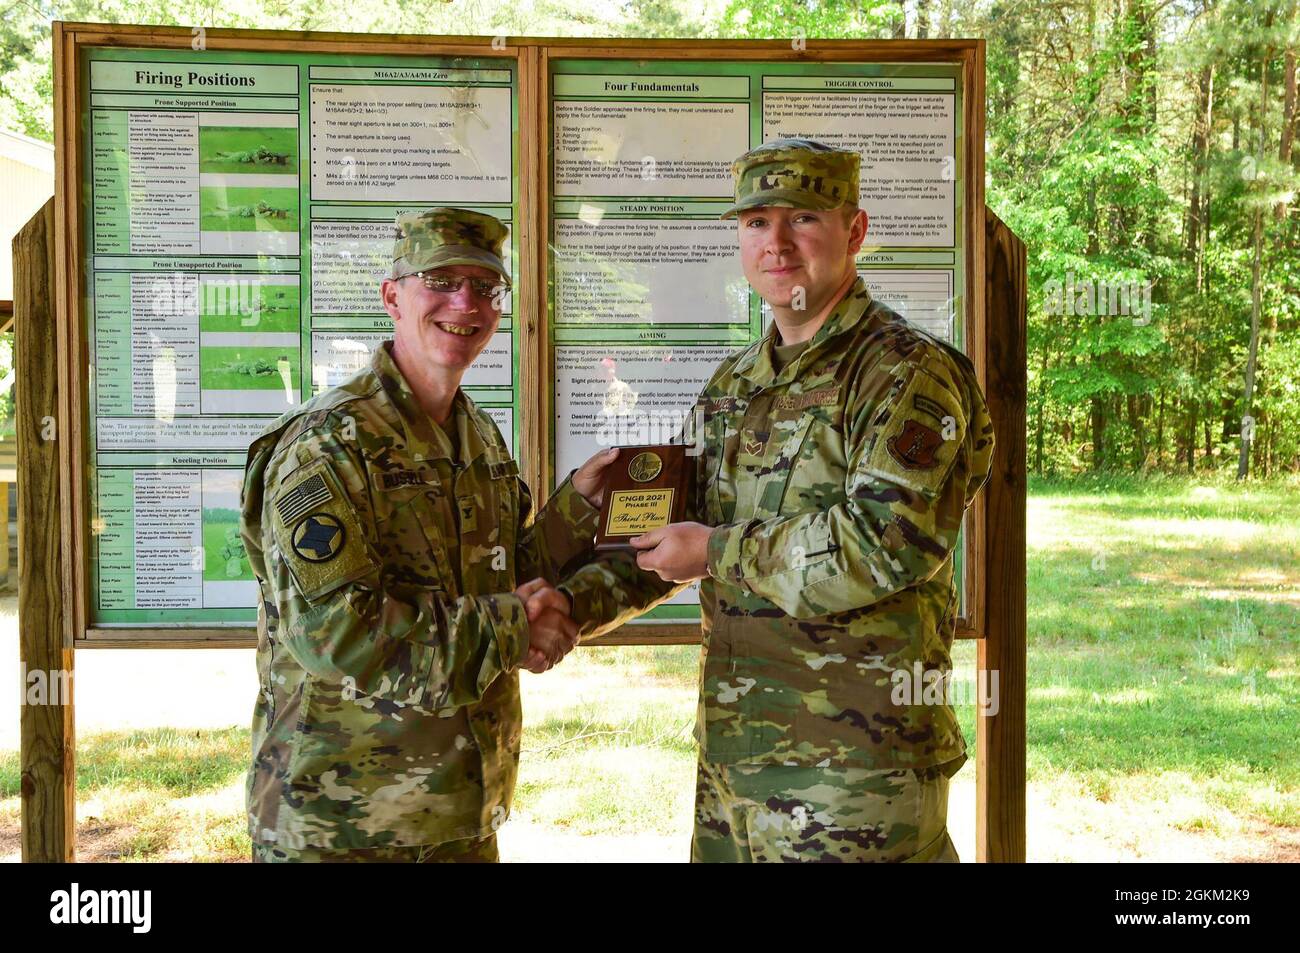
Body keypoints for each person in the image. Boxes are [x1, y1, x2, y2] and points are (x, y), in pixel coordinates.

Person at [555, 139, 996, 862]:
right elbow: (667, 538)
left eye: (803, 219)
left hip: (853, 781)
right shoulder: (735, 385)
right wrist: (563, 610)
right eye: (756, 222)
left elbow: (882, 544)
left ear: (853, 230)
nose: (777, 243)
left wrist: (715, 551)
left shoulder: (905, 373)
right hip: (735, 768)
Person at [239, 207, 615, 862]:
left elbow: (497, 576)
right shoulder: (327, 445)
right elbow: (338, 633)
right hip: (341, 825)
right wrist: (513, 629)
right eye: (440, 280)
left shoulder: (479, 435)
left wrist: (578, 505)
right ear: (392, 295)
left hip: (456, 814)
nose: (464, 302)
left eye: (483, 286)